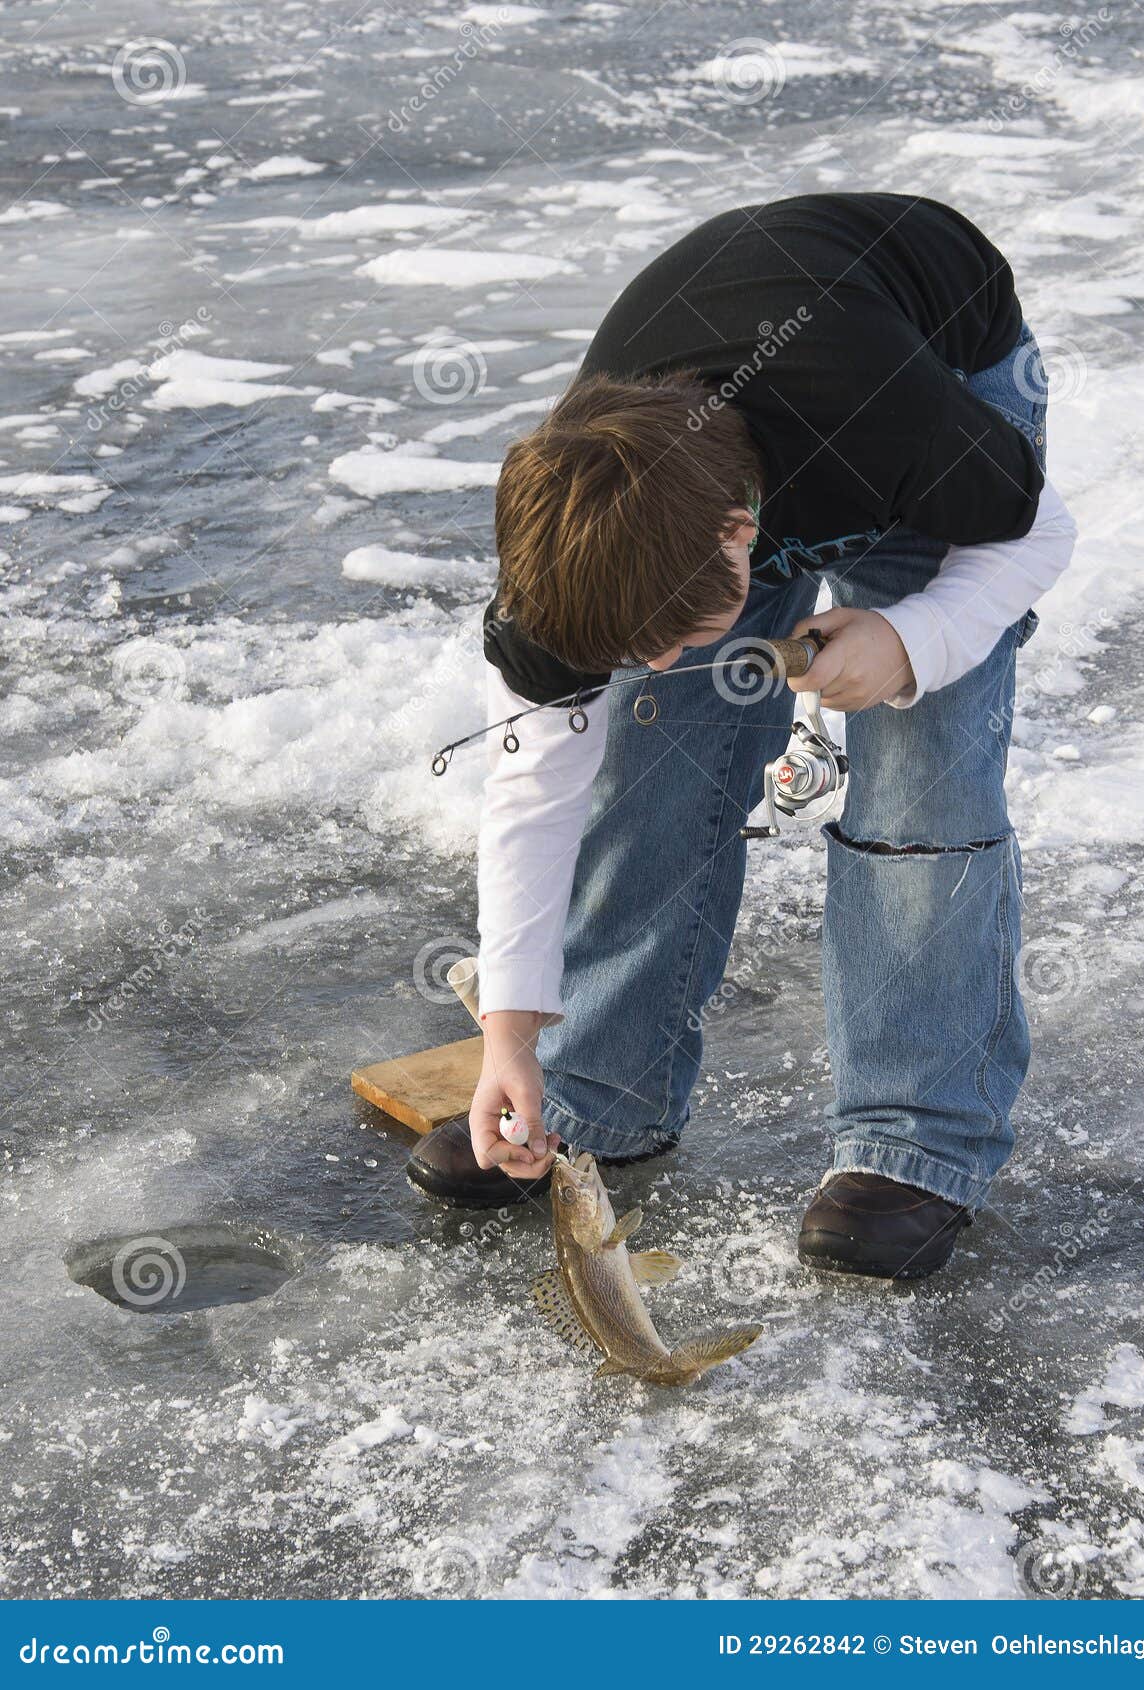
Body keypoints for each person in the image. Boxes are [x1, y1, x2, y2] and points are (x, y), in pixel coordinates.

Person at [408, 192, 1077, 1279]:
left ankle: (914, 1146)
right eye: (636, 645)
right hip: (730, 431)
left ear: (741, 540)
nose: (663, 660)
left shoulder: (902, 433)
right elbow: (534, 793)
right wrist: (511, 1041)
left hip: (929, 371)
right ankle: (599, 1091)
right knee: (648, 761)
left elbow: (1040, 531)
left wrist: (911, 637)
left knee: (923, 779)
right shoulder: (577, 545)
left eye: (679, 632)